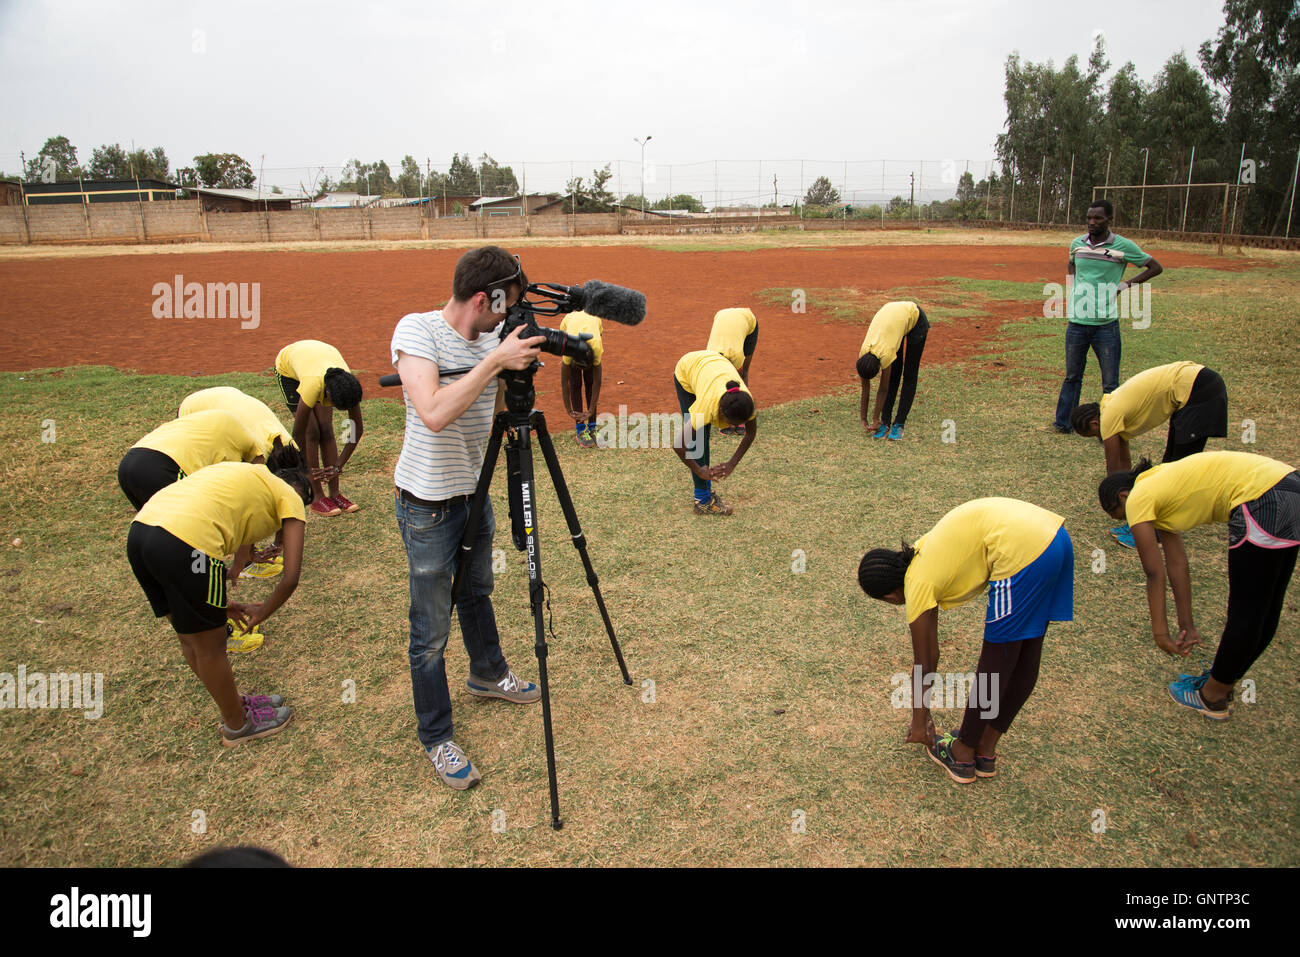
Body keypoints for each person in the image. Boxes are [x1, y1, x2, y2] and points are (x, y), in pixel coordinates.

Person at [390, 245, 547, 790]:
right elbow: (432, 412)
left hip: (472, 494)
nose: (507, 319)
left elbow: (500, 414)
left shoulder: (492, 342)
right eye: (505, 308)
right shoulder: (417, 331)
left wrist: (516, 373)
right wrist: (496, 361)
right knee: (430, 631)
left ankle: (488, 672)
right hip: (427, 504)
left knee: (477, 590)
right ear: (484, 298)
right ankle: (437, 737)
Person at [858, 498, 1073, 784]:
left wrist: (919, 721)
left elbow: (927, 659)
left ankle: (963, 752)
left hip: (1022, 550)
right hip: (1055, 535)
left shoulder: (917, 582)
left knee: (997, 661)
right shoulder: (922, 553)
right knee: (1026, 652)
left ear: (889, 597)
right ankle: (984, 749)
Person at [1097, 451, 1298, 721]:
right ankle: (1221, 681)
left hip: (1261, 498)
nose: (1131, 524)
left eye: (1122, 517)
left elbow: (1154, 572)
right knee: (1267, 605)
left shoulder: (1139, 497)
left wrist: (1160, 635)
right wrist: (1186, 624)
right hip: (1289, 485)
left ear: (1123, 496)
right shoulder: (1160, 486)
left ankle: (1213, 695)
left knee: (1247, 612)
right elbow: (1177, 565)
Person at [126, 461, 311, 746]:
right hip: (186, 541)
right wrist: (262, 612)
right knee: (211, 649)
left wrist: (216, 607)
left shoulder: (251, 475)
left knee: (191, 641)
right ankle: (237, 724)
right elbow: (291, 578)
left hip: (141, 534)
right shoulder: (290, 498)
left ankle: (233, 705)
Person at [1071, 361, 1228, 547]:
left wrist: (1124, 502)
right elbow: (1124, 465)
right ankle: (1145, 525)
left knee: (1177, 474)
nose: (1099, 437)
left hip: (1199, 389)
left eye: (1094, 435)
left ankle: (1157, 533)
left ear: (1094, 424)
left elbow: (1113, 469)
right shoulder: (1111, 406)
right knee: (1168, 466)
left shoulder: (1108, 417)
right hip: (1190, 391)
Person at [1052, 199, 1164, 433]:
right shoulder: (1077, 244)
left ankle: (1110, 427)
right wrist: (1076, 285)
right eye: (1089, 218)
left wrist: (1125, 286)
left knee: (1110, 382)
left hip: (1106, 326)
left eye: (1098, 218)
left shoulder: (1123, 246)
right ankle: (1064, 423)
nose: (1092, 222)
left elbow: (1155, 267)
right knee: (1072, 376)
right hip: (1077, 323)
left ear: (1109, 219)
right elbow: (1071, 263)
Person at [274, 340, 364, 516]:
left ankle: (335, 493)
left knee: (326, 429)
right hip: (288, 369)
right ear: (328, 393)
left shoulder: (347, 385)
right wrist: (306, 468)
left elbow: (356, 429)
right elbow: (298, 433)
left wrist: (338, 465)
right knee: (312, 431)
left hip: (318, 360)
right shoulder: (312, 385)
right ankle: (317, 496)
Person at [117, 409, 268, 510]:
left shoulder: (215, 425)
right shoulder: (254, 446)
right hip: (164, 465)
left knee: (155, 526)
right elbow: (256, 473)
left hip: (128, 463)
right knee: (189, 530)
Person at [672, 349, 758, 515]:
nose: (733, 427)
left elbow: (750, 434)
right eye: (731, 424)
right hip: (687, 370)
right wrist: (699, 470)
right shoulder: (707, 406)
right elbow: (679, 445)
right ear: (721, 412)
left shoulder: (746, 403)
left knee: (701, 434)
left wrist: (732, 463)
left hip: (713, 365)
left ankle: (705, 493)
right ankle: (702, 501)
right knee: (698, 439)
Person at [857, 301, 929, 441]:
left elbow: (883, 389)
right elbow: (865, 388)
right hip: (894, 320)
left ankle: (899, 424)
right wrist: (864, 419)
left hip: (914, 318)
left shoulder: (885, 354)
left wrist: (875, 417)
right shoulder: (863, 354)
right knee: (894, 375)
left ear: (879, 367)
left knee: (908, 374)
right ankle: (885, 423)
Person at [706, 307, 758, 434]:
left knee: (743, 372)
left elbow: (737, 378)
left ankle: (742, 413)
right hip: (721, 315)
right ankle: (725, 414)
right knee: (718, 383)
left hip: (747, 320)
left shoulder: (736, 356)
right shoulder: (709, 358)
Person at [559, 310, 604, 448]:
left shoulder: (596, 347)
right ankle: (580, 429)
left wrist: (590, 410)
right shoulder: (568, 349)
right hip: (568, 328)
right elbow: (565, 383)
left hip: (593, 321)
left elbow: (597, 383)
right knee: (575, 382)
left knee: (590, 380)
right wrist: (569, 409)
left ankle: (592, 426)